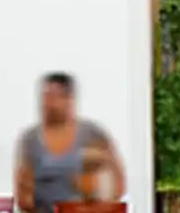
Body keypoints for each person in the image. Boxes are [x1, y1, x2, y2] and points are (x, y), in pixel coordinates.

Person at [14, 72, 125, 213]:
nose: (48, 103)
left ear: (69, 99)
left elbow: (116, 182)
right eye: (45, 97)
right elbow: (23, 193)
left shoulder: (92, 134)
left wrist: (94, 195)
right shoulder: (30, 139)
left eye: (54, 97)